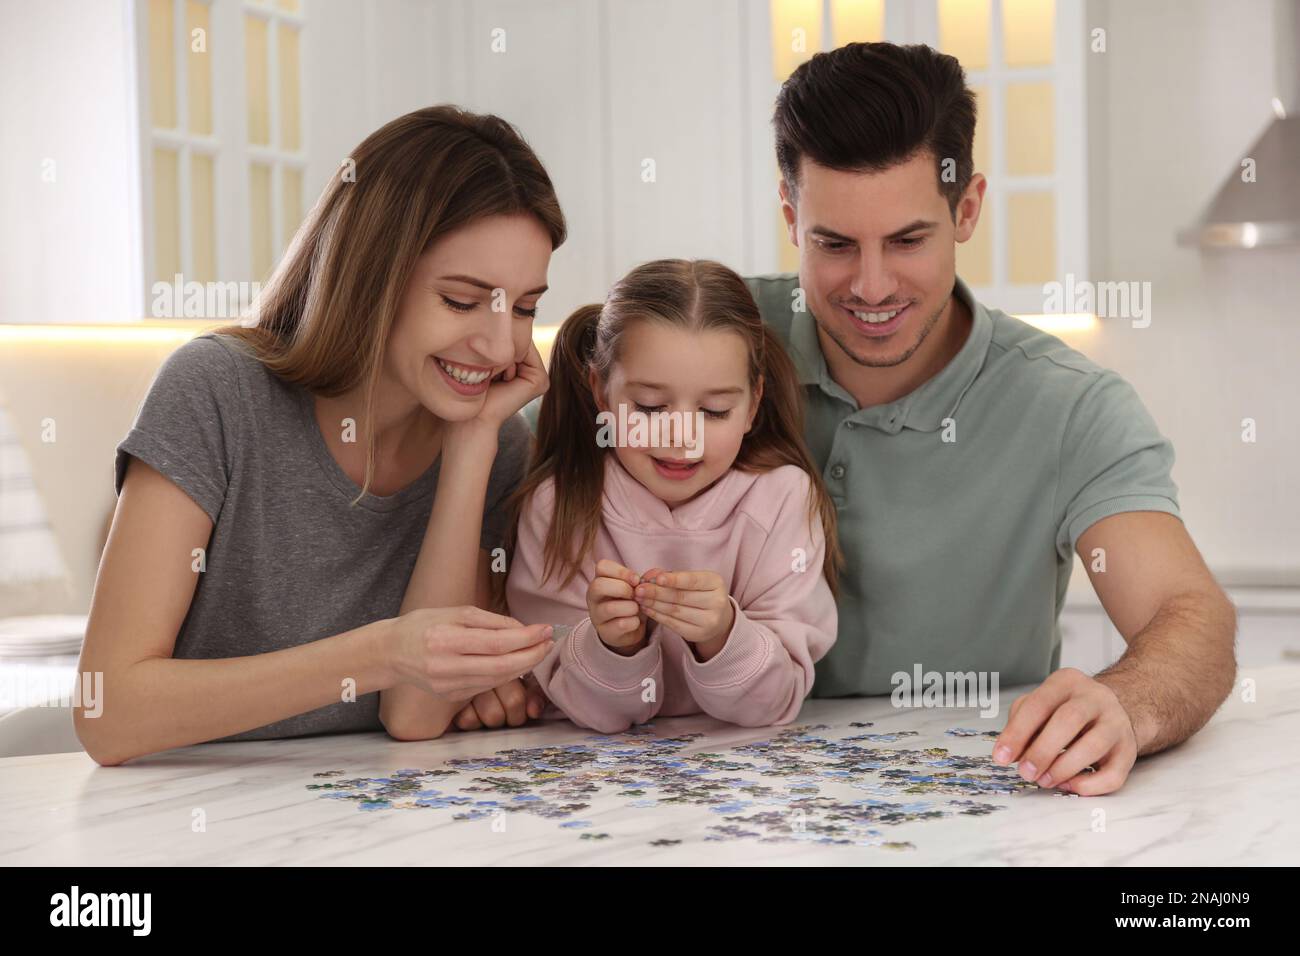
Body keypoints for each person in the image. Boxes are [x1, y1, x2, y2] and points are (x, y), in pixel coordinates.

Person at [746, 42, 1236, 795]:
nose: (871, 286)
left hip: (983, 792)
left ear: (966, 209)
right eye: (834, 244)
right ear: (790, 217)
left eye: (908, 240)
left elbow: (1190, 615)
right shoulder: (706, 338)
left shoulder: (1070, 406)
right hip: (723, 799)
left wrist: (1127, 704)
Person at [76, 106, 565, 764]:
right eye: (461, 301)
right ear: (372, 277)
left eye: (526, 307)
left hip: (352, 810)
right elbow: (108, 712)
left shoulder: (494, 442)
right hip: (186, 805)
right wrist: (384, 651)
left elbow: (416, 714)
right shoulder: (217, 392)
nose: (501, 345)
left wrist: (473, 445)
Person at [505, 259, 838, 734]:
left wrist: (723, 634)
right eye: (650, 407)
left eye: (714, 411)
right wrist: (613, 647)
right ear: (601, 392)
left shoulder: (783, 498)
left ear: (752, 405)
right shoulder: (558, 506)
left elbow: (774, 702)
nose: (683, 436)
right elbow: (574, 702)